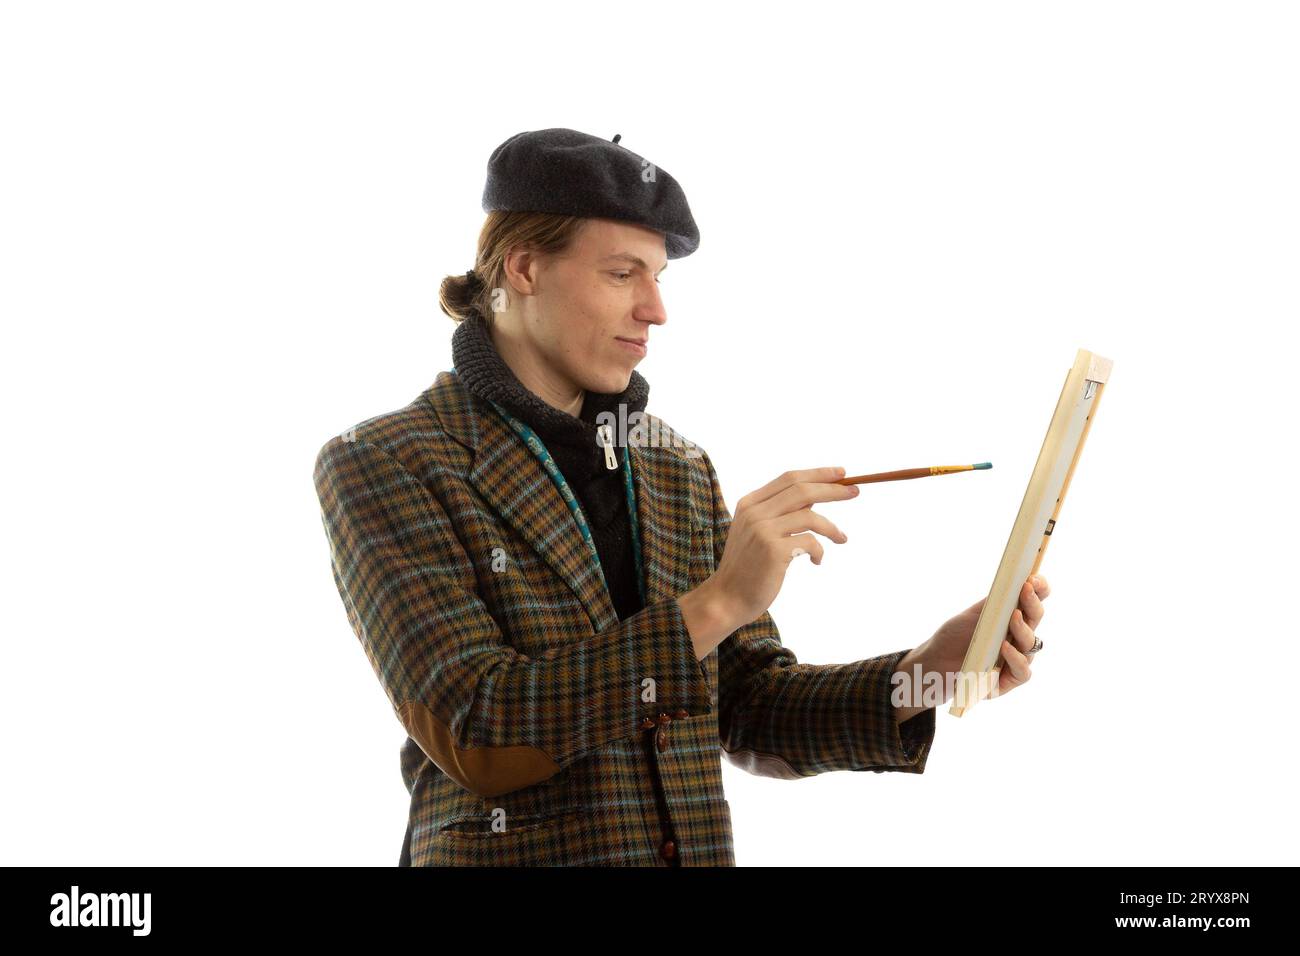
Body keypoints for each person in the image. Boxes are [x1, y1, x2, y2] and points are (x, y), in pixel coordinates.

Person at [312, 128, 1050, 866]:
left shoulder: (676, 467)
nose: (656, 309)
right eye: (622, 273)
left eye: (659, 277)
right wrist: (720, 601)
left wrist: (923, 672)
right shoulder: (383, 462)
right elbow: (479, 729)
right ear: (525, 267)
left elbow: (749, 710)